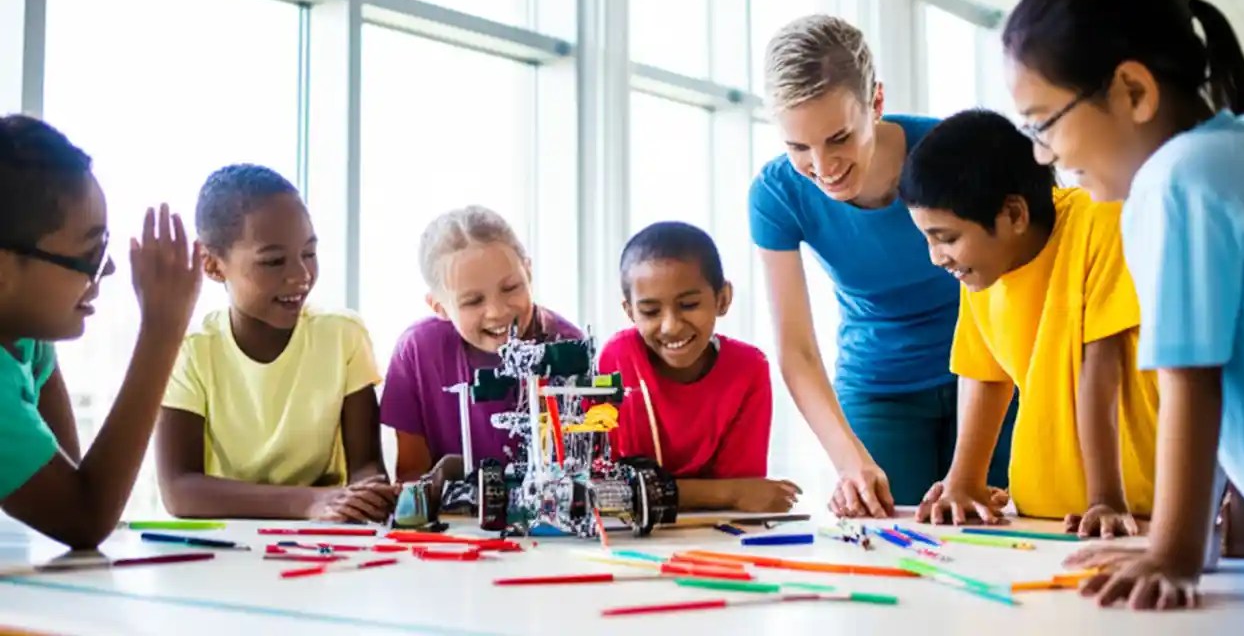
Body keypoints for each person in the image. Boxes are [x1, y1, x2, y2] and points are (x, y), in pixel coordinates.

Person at [1001, 0, 1244, 609]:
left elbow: (1193, 379)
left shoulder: (1177, 181)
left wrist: (1173, 551)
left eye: (1043, 123)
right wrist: (1192, 544)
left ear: (1133, 91)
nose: (1042, 154)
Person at [750, 14, 1015, 515]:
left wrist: (967, 469)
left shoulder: (950, 154)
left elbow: (1012, 288)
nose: (823, 167)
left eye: (839, 138)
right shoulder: (776, 194)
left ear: (876, 102)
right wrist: (850, 461)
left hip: (991, 372)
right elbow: (797, 350)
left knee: (998, 527)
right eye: (798, 147)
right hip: (880, 387)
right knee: (887, 528)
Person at [900, 109, 1158, 536]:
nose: (935, 257)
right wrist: (963, 481)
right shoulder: (981, 266)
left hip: (1131, 510)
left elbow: (1101, 369)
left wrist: (1105, 498)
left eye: (946, 238)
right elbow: (983, 373)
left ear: (1015, 215)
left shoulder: (1103, 219)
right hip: (1040, 514)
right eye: (927, 238)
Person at [0, 115, 201, 548]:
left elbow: (69, 477)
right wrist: (161, 332)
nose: (107, 269)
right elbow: (83, 518)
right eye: (90, 254)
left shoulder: (25, 340)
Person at [156, 165, 395, 522]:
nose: (300, 275)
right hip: (230, 542)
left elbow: (367, 467)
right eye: (273, 261)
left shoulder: (343, 336)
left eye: (309, 253)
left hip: (324, 538)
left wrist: (366, 496)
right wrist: (308, 502)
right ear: (213, 265)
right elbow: (179, 490)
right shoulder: (191, 351)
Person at [598, 221, 798, 513]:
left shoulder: (749, 369)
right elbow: (609, 489)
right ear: (630, 312)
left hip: (717, 529)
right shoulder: (618, 358)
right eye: (650, 311)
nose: (671, 326)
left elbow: (746, 490)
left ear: (722, 299)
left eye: (689, 305)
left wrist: (730, 493)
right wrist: (727, 493)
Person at [380, 205, 583, 483]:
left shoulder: (569, 347)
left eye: (511, 287)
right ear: (439, 307)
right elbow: (412, 476)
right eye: (473, 301)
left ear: (528, 271)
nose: (497, 312)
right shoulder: (417, 352)